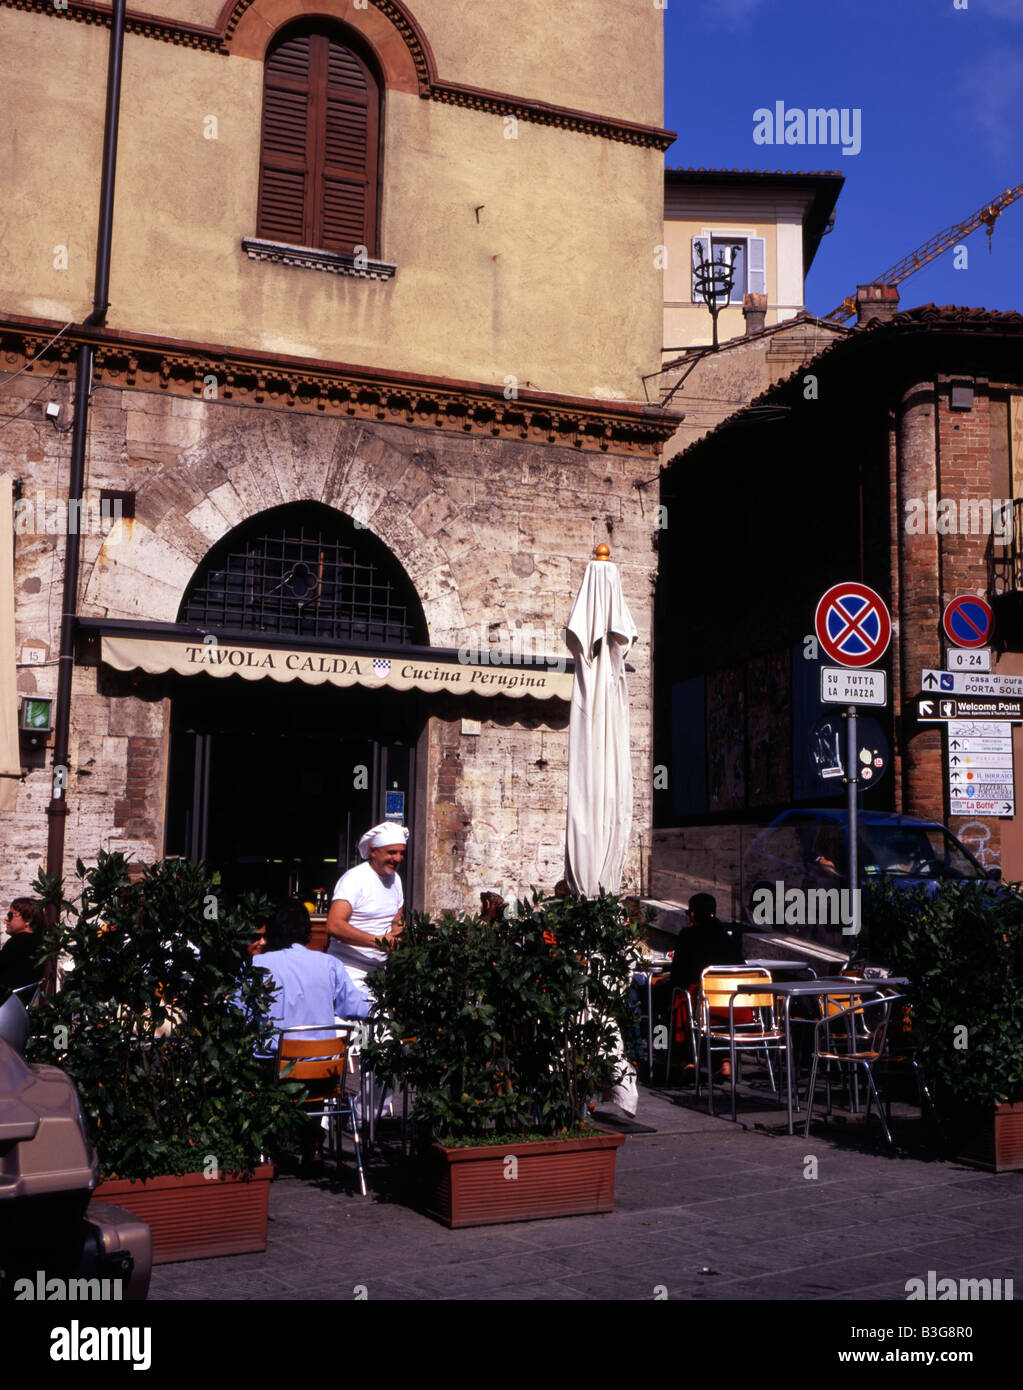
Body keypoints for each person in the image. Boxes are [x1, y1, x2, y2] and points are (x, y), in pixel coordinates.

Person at [253, 899, 370, 1043]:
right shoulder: (330, 964)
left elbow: (236, 1011)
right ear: (308, 929)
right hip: (322, 1061)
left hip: (272, 1062)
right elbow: (358, 1008)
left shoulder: (258, 964)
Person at [668, 893, 744, 1078]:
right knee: (713, 1015)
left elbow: (678, 975)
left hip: (702, 1003)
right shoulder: (727, 938)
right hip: (734, 1006)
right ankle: (725, 1061)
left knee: (675, 997)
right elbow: (740, 967)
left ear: (693, 915)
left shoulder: (687, 935)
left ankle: (686, 1060)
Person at [325, 822, 408, 991]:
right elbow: (334, 925)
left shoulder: (395, 879)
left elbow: (396, 917)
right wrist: (378, 942)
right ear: (373, 851)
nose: (398, 858)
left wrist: (399, 932)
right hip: (349, 972)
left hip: (380, 974)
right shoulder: (355, 879)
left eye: (401, 853)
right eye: (392, 852)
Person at [0, 898, 45, 1001]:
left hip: (8, 1003)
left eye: (11, 915)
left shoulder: (19, 941)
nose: (6, 918)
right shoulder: (38, 941)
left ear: (28, 920)